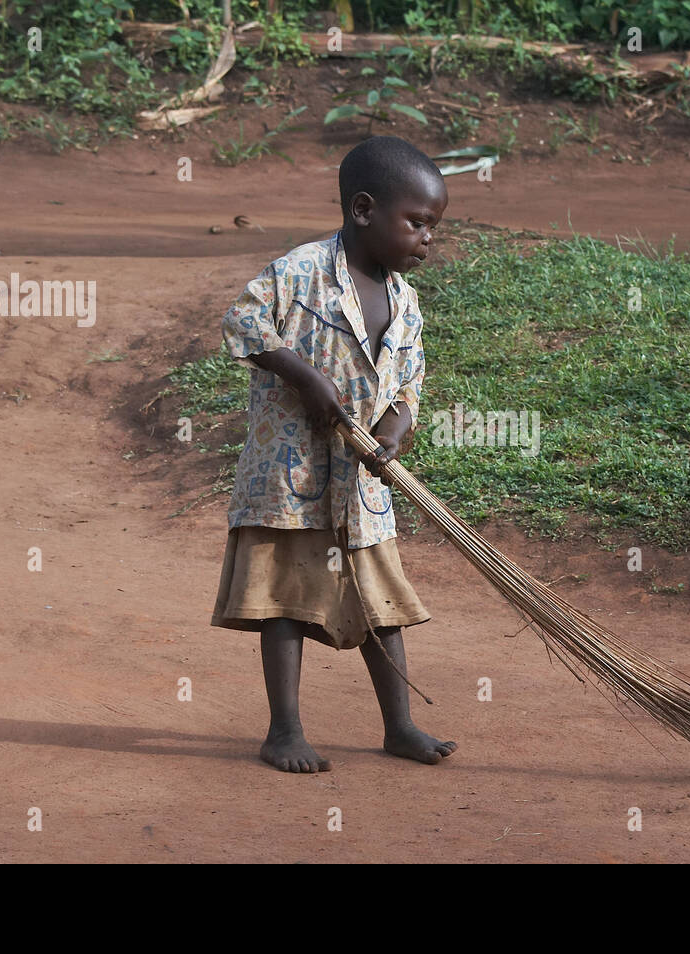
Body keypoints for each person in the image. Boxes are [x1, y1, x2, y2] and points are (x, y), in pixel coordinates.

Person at [211, 136, 455, 773]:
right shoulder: (300, 270)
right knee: (284, 602)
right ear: (365, 209)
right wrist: (302, 376)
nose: (428, 238)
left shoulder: (405, 302)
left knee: (382, 606)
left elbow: (409, 381)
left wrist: (398, 424)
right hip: (287, 478)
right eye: (418, 222)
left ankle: (399, 725)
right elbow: (243, 322)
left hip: (360, 484)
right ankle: (283, 731)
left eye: (434, 226)